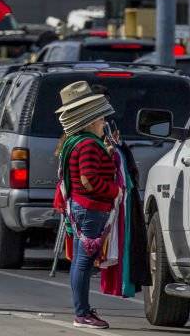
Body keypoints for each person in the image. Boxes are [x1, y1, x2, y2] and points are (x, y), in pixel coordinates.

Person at [53, 80, 120, 330]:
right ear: (91, 120)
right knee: (83, 262)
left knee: (80, 261)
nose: (104, 124)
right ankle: (82, 313)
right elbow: (89, 180)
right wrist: (115, 190)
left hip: (81, 207)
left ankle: (82, 310)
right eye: (101, 120)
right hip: (91, 208)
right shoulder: (89, 144)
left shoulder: (75, 142)